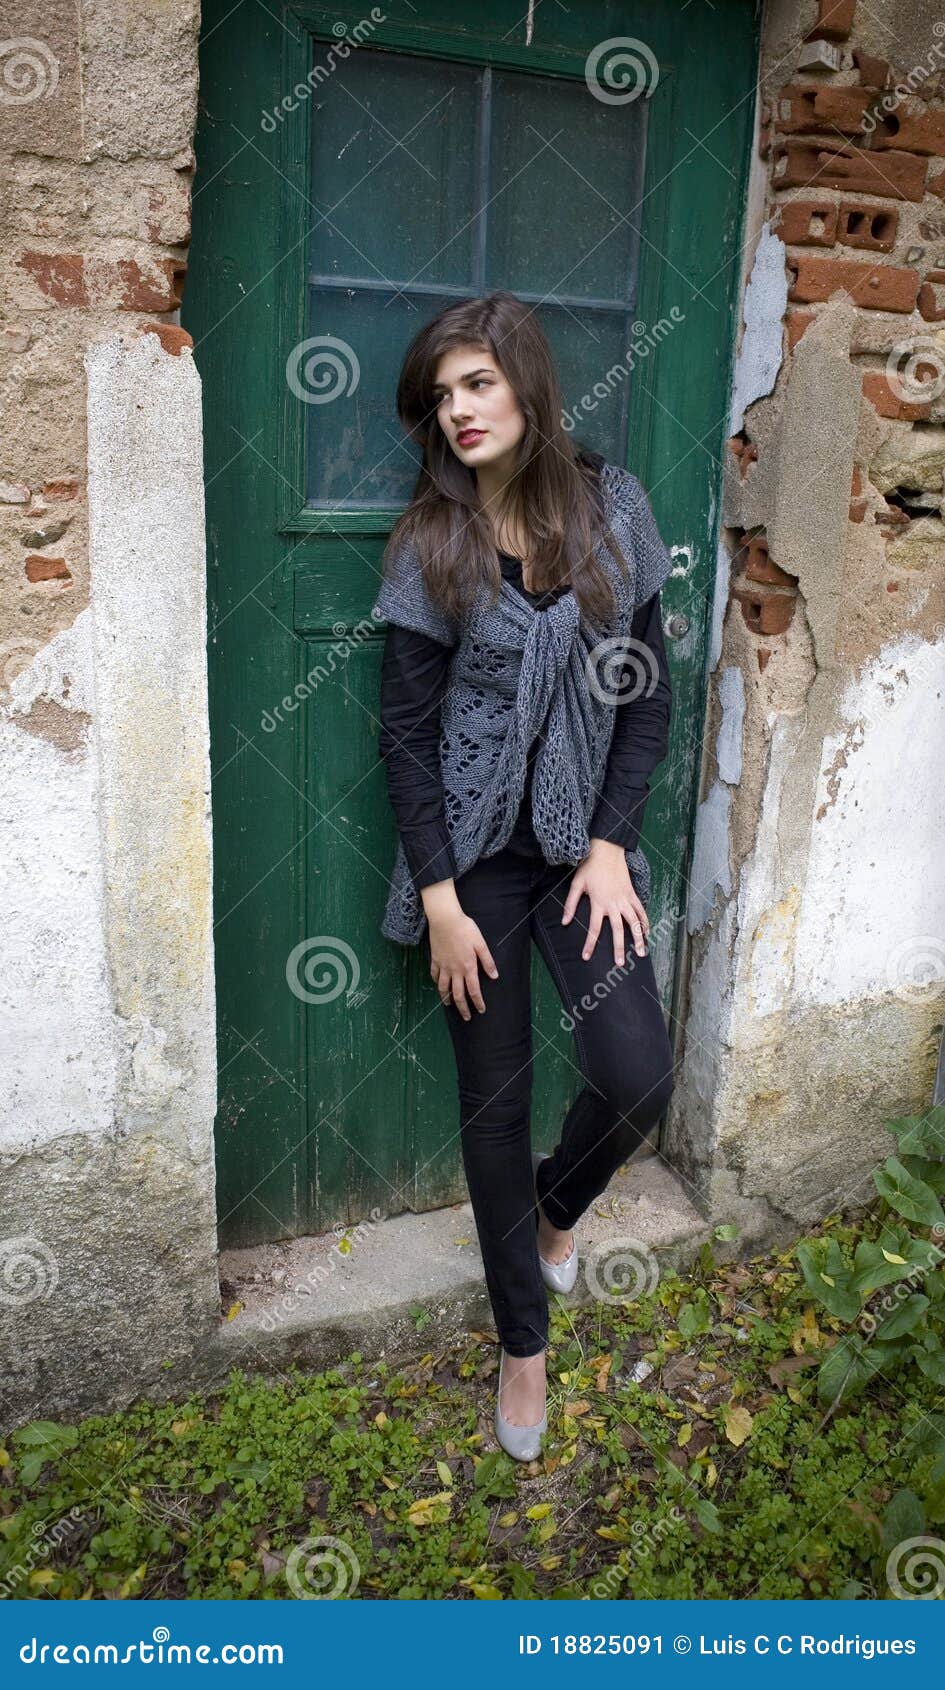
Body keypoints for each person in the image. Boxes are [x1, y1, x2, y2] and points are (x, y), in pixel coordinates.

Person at [374, 290, 676, 1462]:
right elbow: (404, 736)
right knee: (492, 1107)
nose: (457, 409)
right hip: (476, 868)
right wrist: (441, 901)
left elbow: (647, 692)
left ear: (528, 386)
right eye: (441, 394)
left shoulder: (617, 513)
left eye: (477, 384)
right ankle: (523, 1339)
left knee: (637, 1075)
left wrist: (609, 841)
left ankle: (558, 1208)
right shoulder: (430, 545)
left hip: (581, 852)